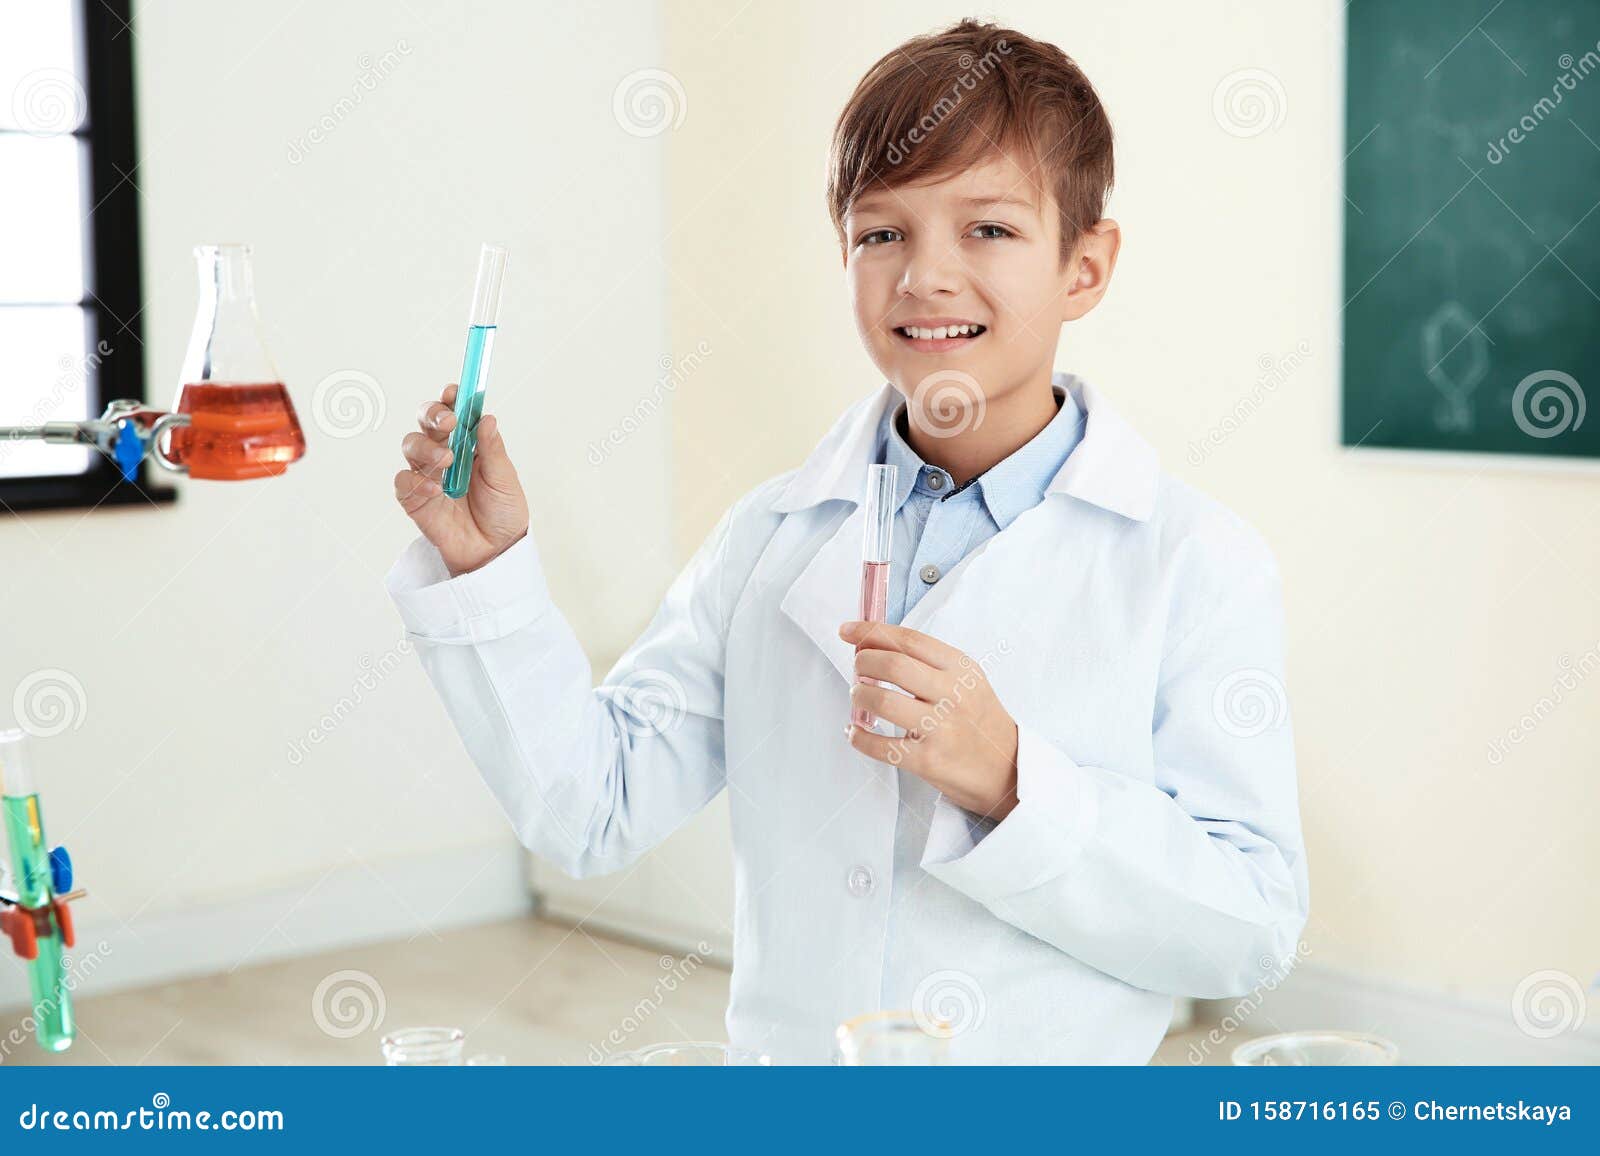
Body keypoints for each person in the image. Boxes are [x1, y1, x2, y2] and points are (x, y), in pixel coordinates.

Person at [387, 18, 1308, 1063]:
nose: (924, 275)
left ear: (1084, 268)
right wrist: (486, 571)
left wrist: (1011, 781)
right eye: (881, 233)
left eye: (988, 231)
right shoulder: (772, 536)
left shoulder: (1196, 562)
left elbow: (1249, 927)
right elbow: (587, 808)